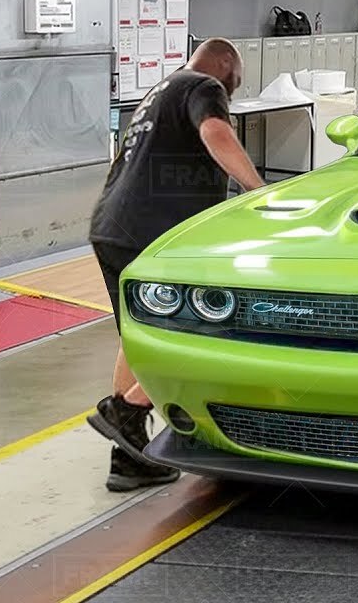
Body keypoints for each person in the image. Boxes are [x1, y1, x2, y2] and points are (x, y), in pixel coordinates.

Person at [86, 38, 267, 492]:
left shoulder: (158, 91)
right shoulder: (204, 84)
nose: (233, 90)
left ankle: (128, 458)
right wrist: (258, 190)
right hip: (157, 235)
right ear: (225, 64)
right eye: (237, 81)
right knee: (194, 332)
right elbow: (216, 133)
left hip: (112, 227)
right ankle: (126, 411)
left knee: (139, 334)